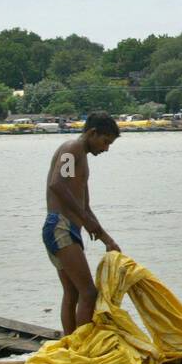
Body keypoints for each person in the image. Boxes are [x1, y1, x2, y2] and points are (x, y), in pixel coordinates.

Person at [43, 111, 121, 335]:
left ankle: (70, 345)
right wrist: (86, 221)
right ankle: (82, 347)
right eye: (105, 142)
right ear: (92, 133)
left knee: (72, 293)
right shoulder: (72, 148)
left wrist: (108, 239)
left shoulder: (82, 159)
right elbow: (57, 184)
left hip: (68, 228)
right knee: (88, 293)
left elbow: (85, 207)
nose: (106, 148)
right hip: (60, 227)